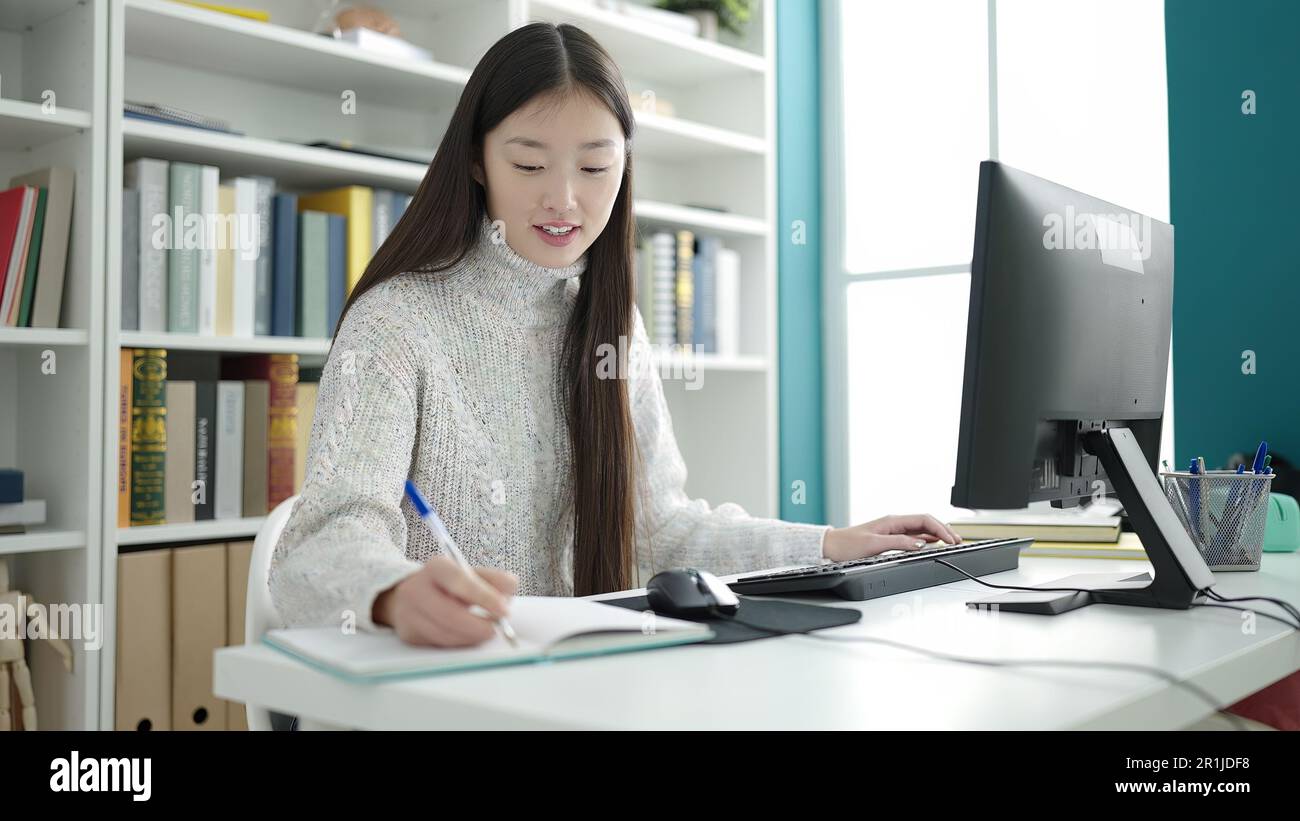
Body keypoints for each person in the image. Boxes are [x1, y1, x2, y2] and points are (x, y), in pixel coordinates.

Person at [268, 22, 960, 648]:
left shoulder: (609, 323)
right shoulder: (396, 322)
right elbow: (320, 545)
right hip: (430, 690)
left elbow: (660, 528)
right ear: (476, 161)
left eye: (595, 167)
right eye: (530, 164)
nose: (564, 198)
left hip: (568, 690)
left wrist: (832, 544)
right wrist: (391, 593)